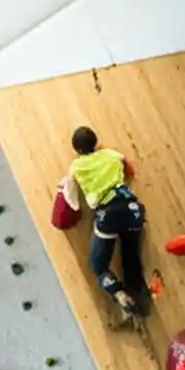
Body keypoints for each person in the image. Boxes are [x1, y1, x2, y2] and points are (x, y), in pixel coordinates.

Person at [61, 126, 147, 320]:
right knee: (130, 256)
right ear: (96, 142)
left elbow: (71, 200)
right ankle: (140, 297)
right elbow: (130, 170)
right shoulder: (112, 154)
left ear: (77, 150)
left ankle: (121, 295)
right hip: (132, 208)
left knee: (98, 266)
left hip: (108, 214)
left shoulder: (76, 167)